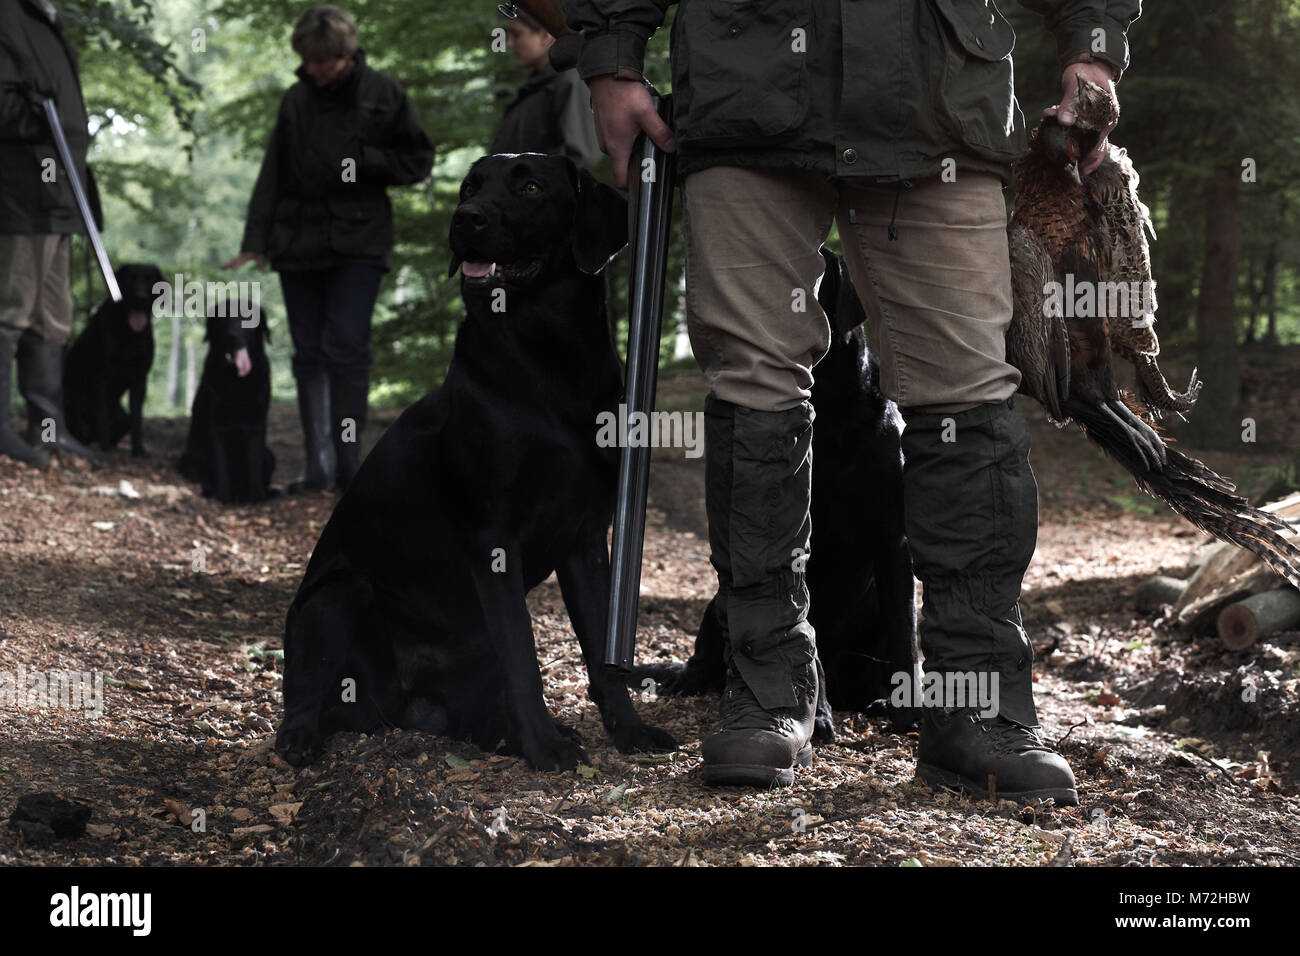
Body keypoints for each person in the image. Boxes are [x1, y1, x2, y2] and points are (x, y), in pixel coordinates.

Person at [563, 0, 1139, 801]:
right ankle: (767, 687)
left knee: (970, 394)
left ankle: (978, 707)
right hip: (747, 93)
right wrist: (614, 56)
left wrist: (1095, 48)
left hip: (938, 100)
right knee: (754, 382)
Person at [225, 4, 434, 493]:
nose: (316, 70)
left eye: (325, 61)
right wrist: (255, 241)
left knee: (347, 347)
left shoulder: (384, 93)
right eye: (309, 60)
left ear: (346, 53)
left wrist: (368, 162)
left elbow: (419, 159)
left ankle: (349, 466)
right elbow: (272, 172)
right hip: (297, 243)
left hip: (359, 242)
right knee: (308, 354)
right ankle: (317, 465)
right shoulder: (295, 99)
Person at [0, 0, 105, 467]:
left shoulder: (44, 20)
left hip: (60, 195)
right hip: (18, 193)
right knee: (9, 309)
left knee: (51, 315)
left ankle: (47, 430)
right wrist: (34, 112)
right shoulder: (6, 16)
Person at [490, 8, 603, 171]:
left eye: (517, 34)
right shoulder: (535, 87)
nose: (509, 43)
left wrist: (532, 190)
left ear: (545, 35)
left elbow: (581, 156)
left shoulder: (570, 78)